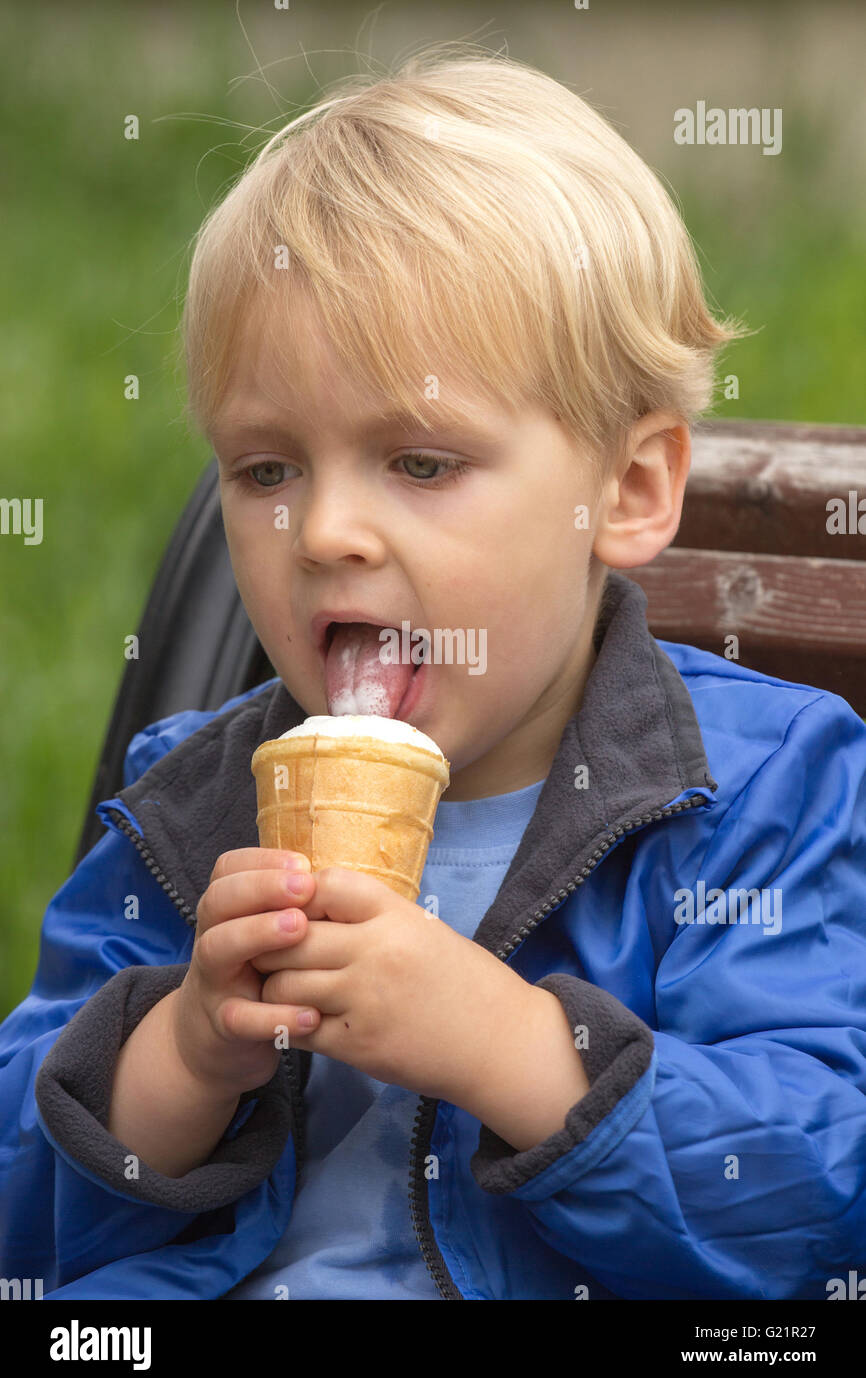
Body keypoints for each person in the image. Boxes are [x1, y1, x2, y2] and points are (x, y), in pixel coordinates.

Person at [2, 44, 865, 1301]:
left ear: (624, 491)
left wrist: (509, 1046)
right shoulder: (188, 811)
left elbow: (812, 1194)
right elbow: (22, 1219)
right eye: (266, 470)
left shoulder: (752, 796)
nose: (328, 532)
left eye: (417, 463)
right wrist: (179, 1060)